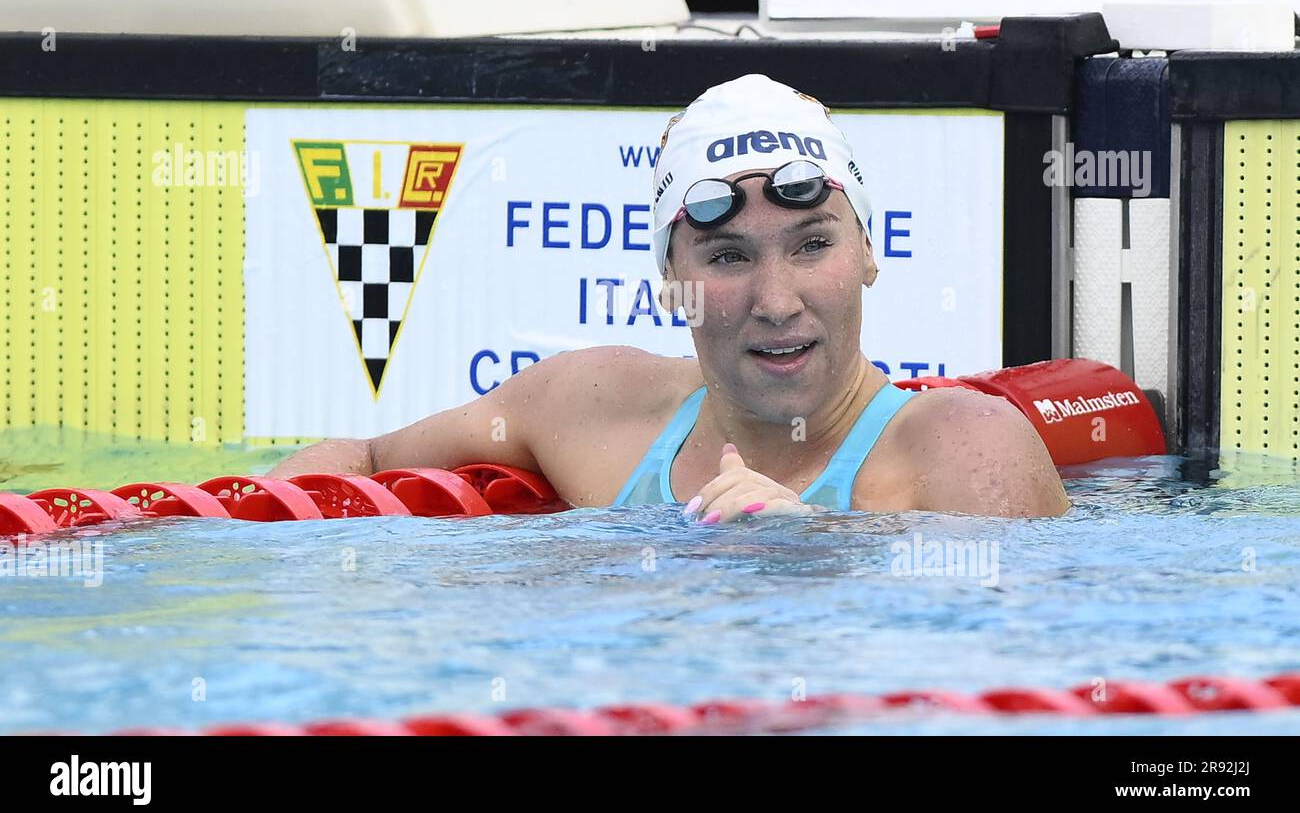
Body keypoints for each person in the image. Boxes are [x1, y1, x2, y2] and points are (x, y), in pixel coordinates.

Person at [268, 74, 1069, 521]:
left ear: (869, 252)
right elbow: (365, 462)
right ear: (670, 284)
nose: (777, 301)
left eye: (813, 244)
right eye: (727, 256)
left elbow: (1027, 679)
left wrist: (822, 558)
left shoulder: (966, 450)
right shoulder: (590, 405)